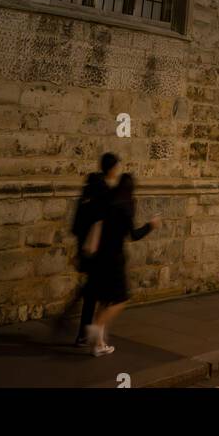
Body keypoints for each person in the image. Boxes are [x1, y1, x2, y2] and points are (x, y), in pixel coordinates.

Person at [83, 152, 161, 357]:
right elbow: (134, 235)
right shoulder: (125, 208)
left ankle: (98, 345)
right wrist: (151, 225)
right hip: (114, 258)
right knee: (120, 300)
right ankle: (95, 330)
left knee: (104, 300)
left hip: (100, 256)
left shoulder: (109, 201)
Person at [70, 163, 110, 346]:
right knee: (104, 296)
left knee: (90, 295)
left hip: (86, 256)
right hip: (98, 257)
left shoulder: (83, 203)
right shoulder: (98, 207)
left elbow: (75, 229)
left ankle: (85, 334)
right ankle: (95, 337)